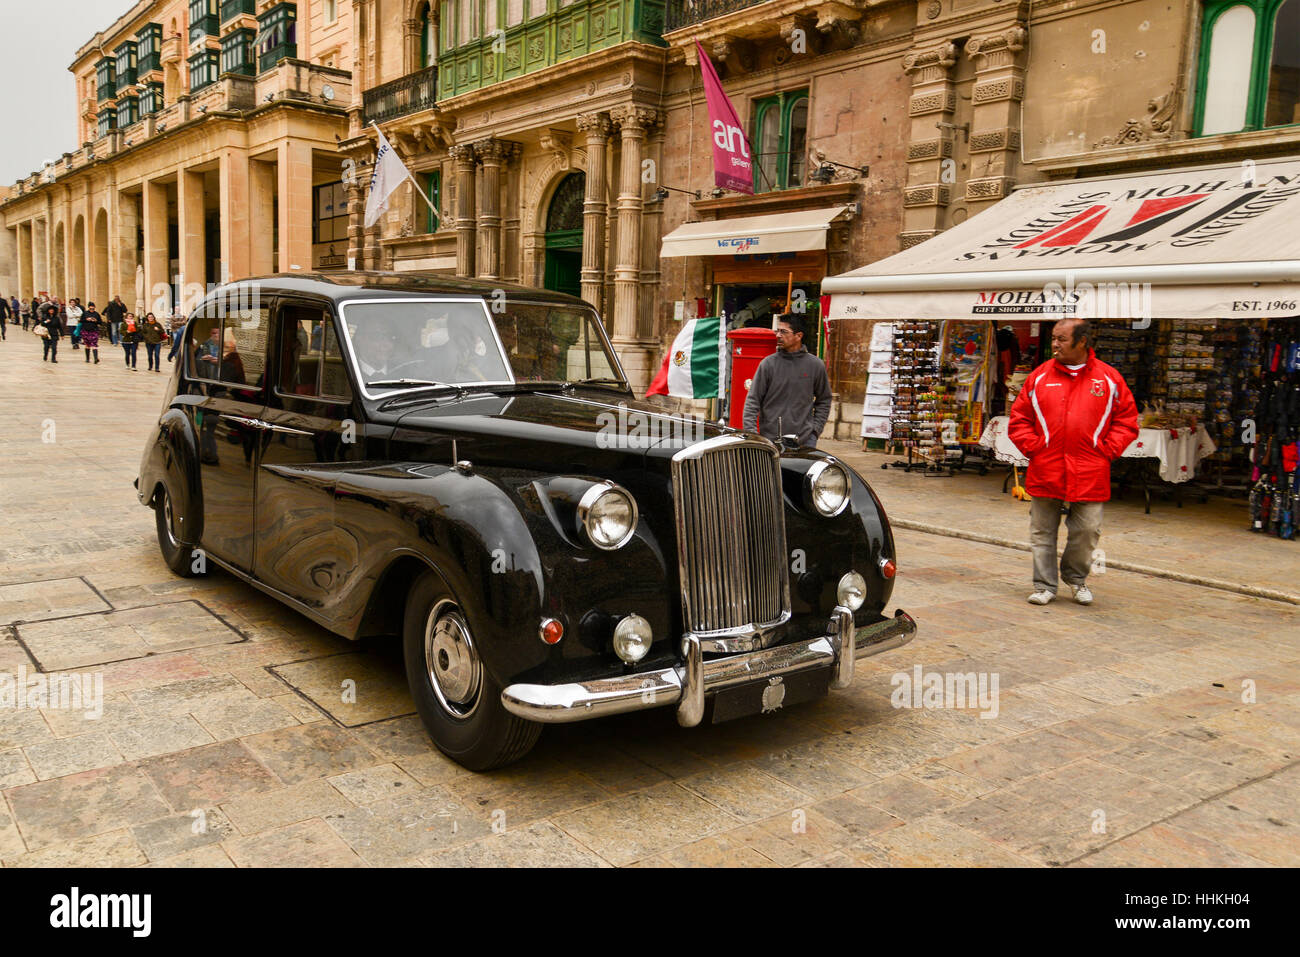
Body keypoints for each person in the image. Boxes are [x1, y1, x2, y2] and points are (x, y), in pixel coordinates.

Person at [1007, 317, 1139, 607]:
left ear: (1082, 342)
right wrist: (1035, 447)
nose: (1055, 344)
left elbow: (1127, 421)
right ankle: (1044, 585)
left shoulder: (1108, 379)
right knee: (1042, 531)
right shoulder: (1039, 377)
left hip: (1090, 470)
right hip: (1047, 467)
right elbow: (1018, 420)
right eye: (1054, 338)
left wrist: (1106, 450)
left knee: (1088, 530)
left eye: (1062, 339)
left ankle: (1076, 578)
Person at [742, 313, 832, 449]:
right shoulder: (768, 364)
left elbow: (824, 400)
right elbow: (752, 401)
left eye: (783, 332)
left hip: (804, 441)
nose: (778, 335)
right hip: (769, 440)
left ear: (799, 336)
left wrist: (814, 432)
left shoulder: (815, 365)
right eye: (777, 331)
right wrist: (753, 435)